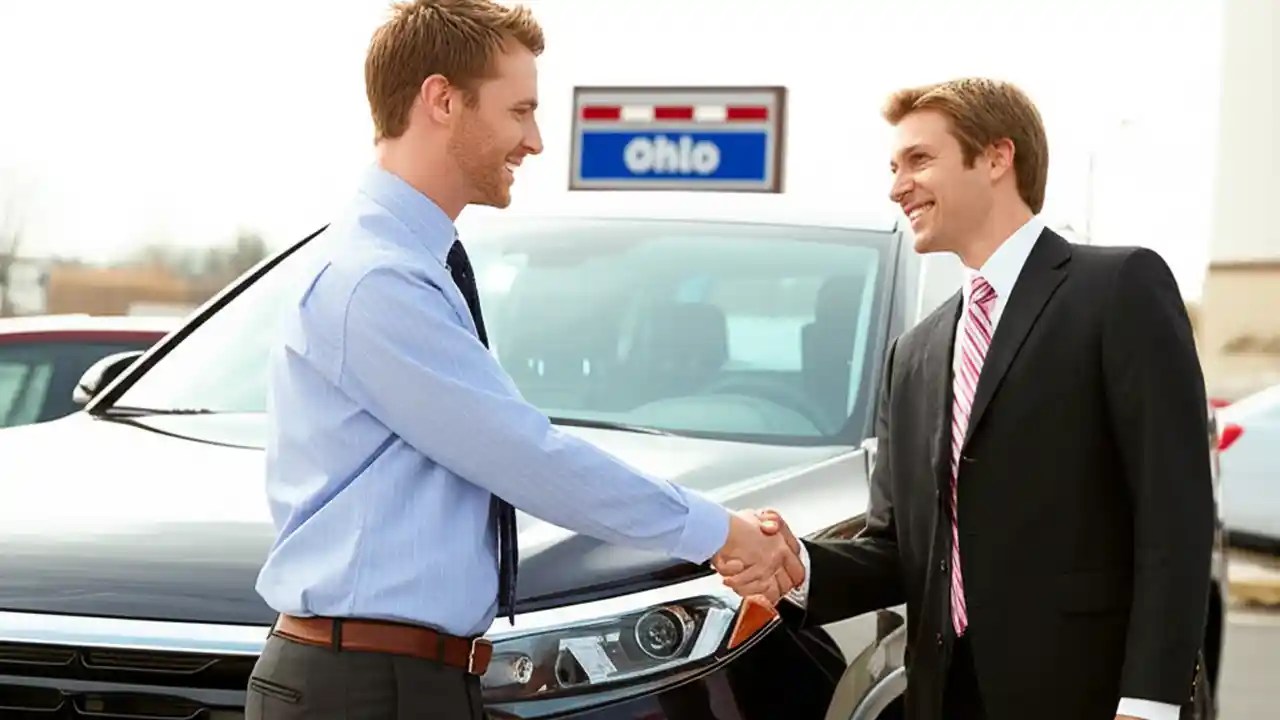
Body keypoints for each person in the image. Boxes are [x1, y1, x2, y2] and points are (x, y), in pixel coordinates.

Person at [245, 2, 801, 718]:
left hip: (398, 678)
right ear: (442, 100)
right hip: (365, 688)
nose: (535, 140)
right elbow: (520, 452)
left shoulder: (408, 262)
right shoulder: (376, 278)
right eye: (521, 111)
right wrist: (718, 531)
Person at [722, 77, 1215, 720]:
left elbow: (1173, 518)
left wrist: (1150, 701)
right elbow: (898, 552)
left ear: (996, 158)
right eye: (894, 166)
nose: (898, 185)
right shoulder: (915, 354)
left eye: (919, 160)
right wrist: (798, 564)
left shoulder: (1118, 289)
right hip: (945, 695)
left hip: (1091, 696)